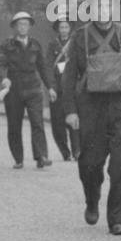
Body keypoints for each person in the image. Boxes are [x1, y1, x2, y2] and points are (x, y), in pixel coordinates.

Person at [61, 0, 121, 235]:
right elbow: (70, 75)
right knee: (90, 164)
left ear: (114, 8)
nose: (104, 11)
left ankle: (116, 216)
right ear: (91, 9)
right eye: (98, 6)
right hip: (91, 107)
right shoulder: (80, 37)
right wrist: (70, 110)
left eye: (108, 5)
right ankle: (92, 199)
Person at [0, 13, 54, 169]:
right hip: (14, 89)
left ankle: (41, 156)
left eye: (26, 24)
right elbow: (0, 64)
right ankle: (18, 158)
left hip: (33, 88)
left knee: (37, 122)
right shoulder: (7, 45)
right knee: (14, 125)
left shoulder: (35, 44)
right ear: (15, 27)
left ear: (29, 27)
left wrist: (50, 87)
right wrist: (3, 78)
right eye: (20, 24)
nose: (23, 27)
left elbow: (42, 67)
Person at [48, 18, 81, 162]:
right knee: (58, 123)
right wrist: (52, 87)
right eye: (61, 27)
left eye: (66, 27)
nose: (63, 30)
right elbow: (48, 66)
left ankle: (77, 151)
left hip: (72, 88)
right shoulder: (52, 45)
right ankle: (65, 152)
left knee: (74, 120)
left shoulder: (74, 43)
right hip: (57, 87)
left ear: (70, 29)